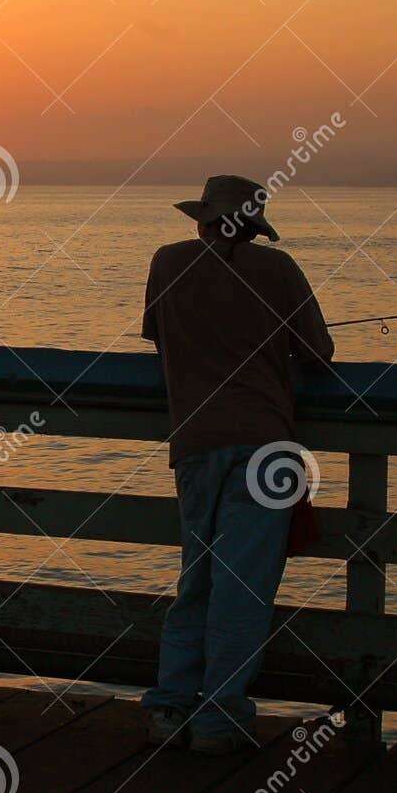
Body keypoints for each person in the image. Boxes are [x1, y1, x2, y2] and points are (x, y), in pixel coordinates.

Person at [138, 175, 333, 755]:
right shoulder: (279, 270)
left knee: (195, 579)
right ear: (253, 226)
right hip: (264, 449)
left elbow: (157, 335)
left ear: (201, 220)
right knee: (241, 589)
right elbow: (319, 353)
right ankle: (220, 720)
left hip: (194, 443)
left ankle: (170, 707)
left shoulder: (166, 263)